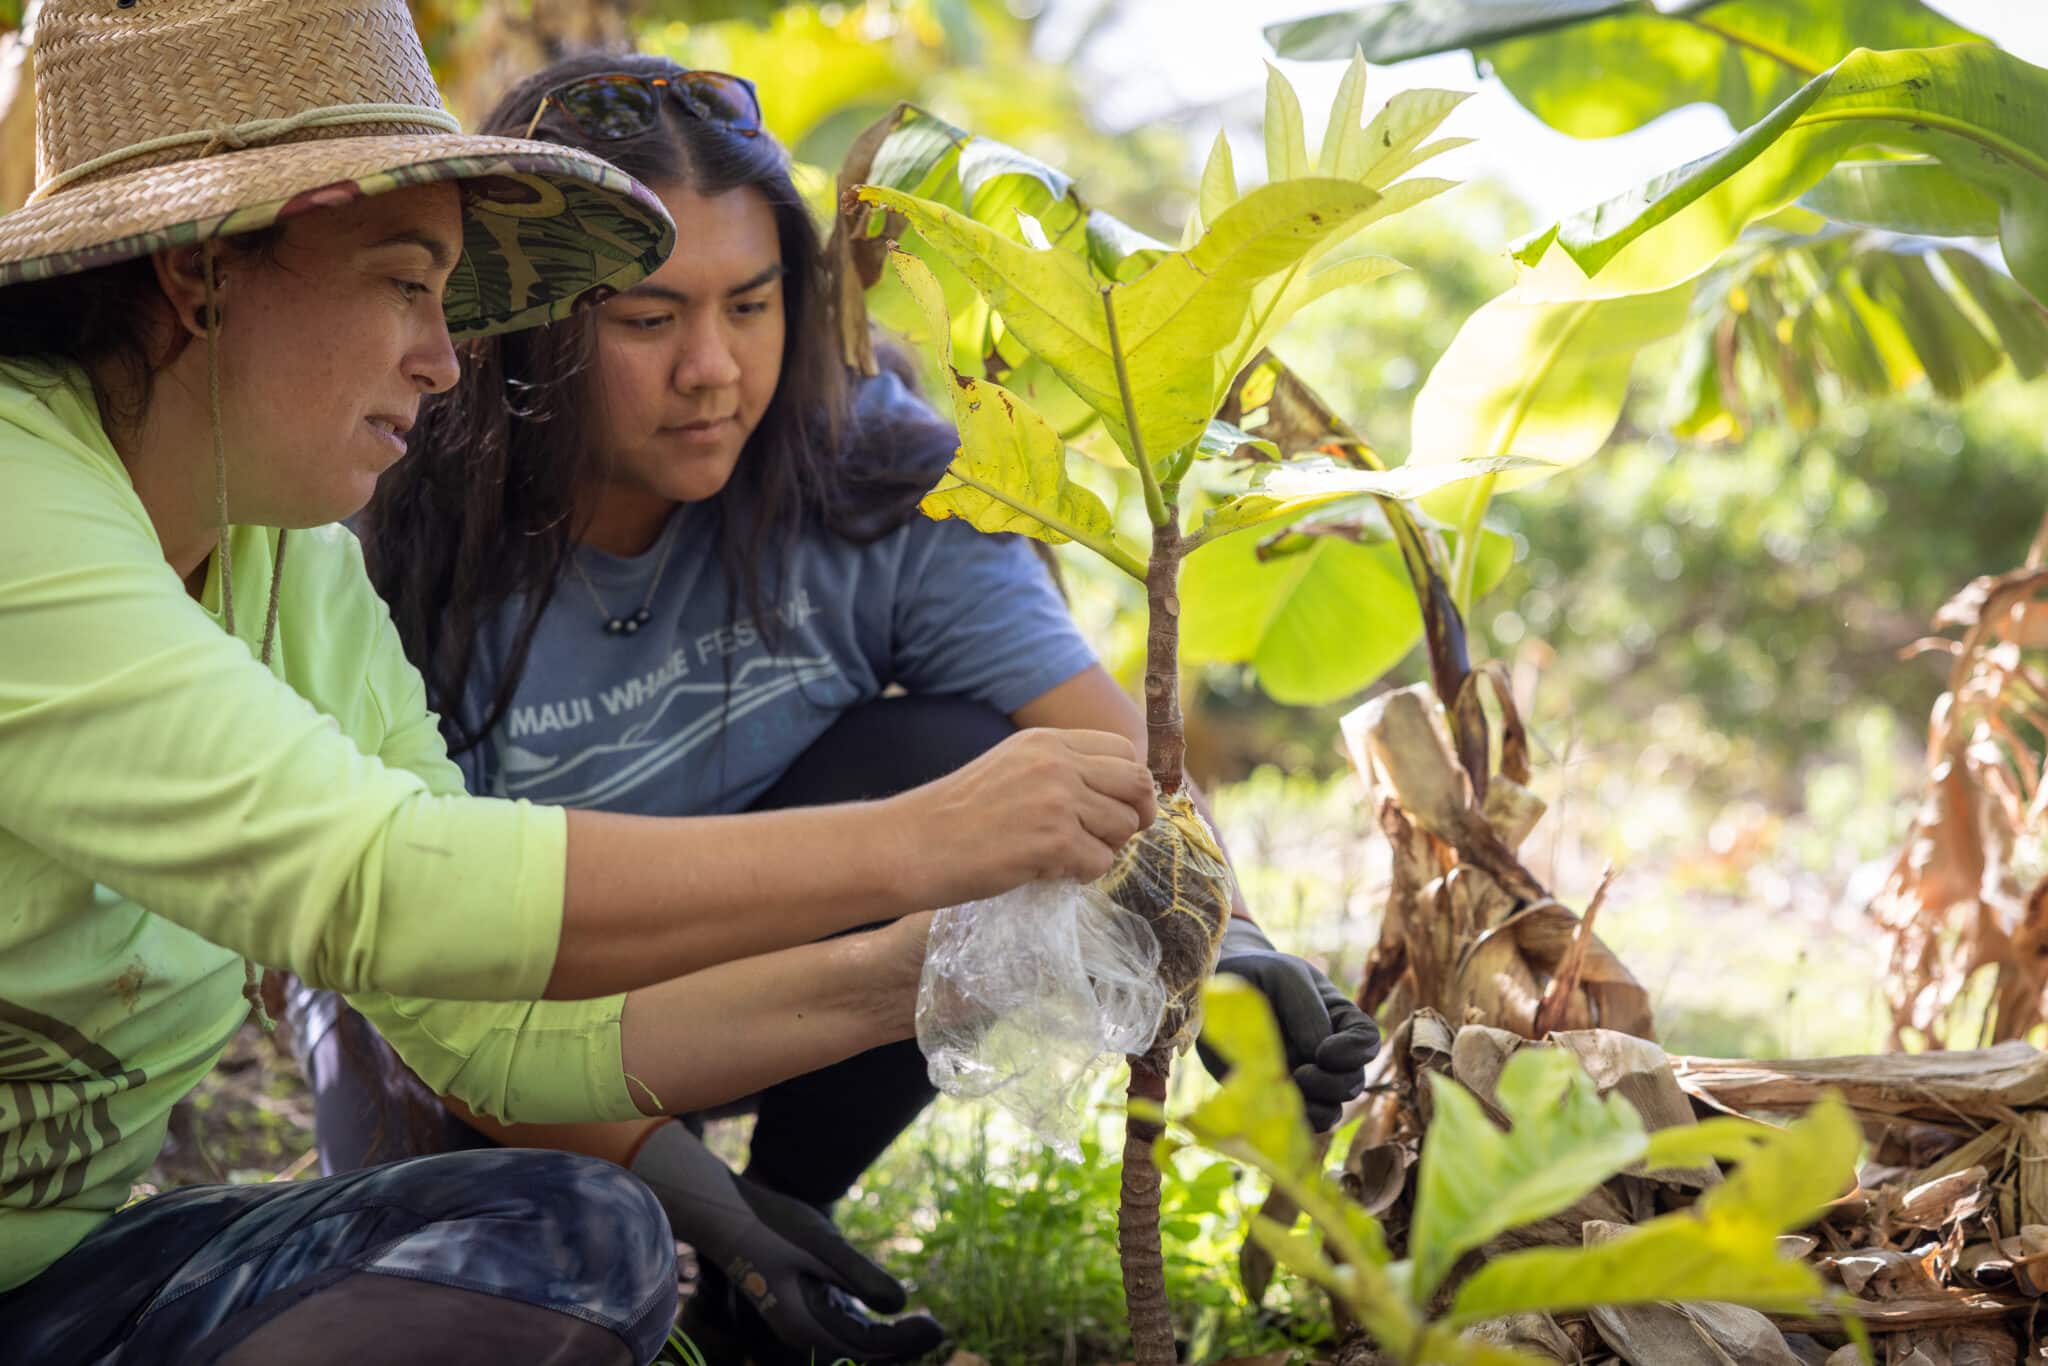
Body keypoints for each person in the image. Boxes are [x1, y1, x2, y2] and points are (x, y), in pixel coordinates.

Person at [0, 4, 1159, 1365]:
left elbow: (489, 1036)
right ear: (204, 275)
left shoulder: (291, 565)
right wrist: (916, 842)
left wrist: (945, 967)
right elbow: (383, 888)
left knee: (574, 1237)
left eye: (448, 302)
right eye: (404, 284)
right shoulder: (22, 492)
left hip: (55, 1283)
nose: (442, 359)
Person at [293, 48, 1384, 1365]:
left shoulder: (872, 473)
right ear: (528, 320)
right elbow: (429, 982)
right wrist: (701, 1205)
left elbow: (1101, 751)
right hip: (457, 1019)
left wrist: (1230, 947)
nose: (713, 368)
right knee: (513, 1276)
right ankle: (717, 1236)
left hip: (760, 983)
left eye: (752, 305)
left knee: (967, 763)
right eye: (647, 320)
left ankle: (796, 1221)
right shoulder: (379, 536)